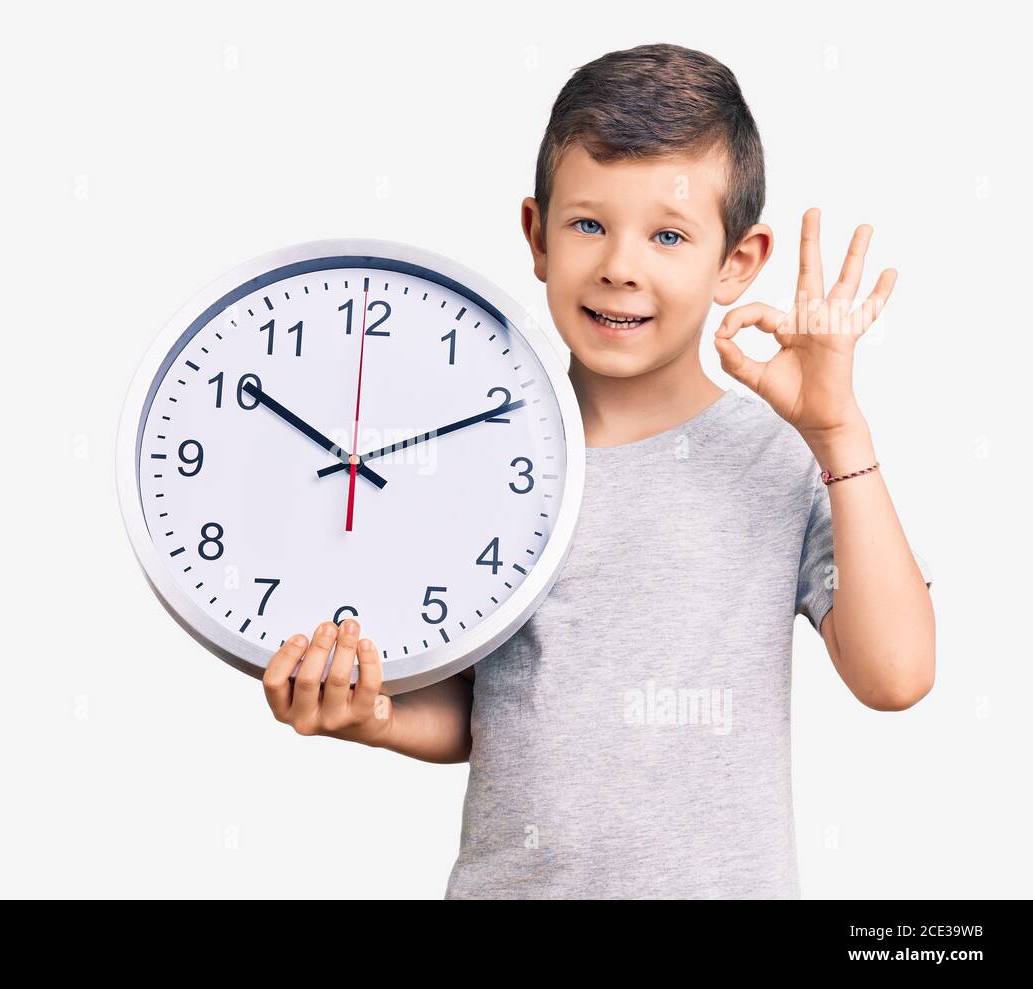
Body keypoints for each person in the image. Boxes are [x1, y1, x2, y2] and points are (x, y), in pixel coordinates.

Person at [261, 43, 935, 899]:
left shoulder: (781, 456)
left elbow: (898, 673)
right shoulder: (478, 457)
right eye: (588, 224)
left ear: (737, 260)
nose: (621, 263)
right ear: (537, 236)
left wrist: (839, 433)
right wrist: (373, 714)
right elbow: (482, 710)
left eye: (667, 233)